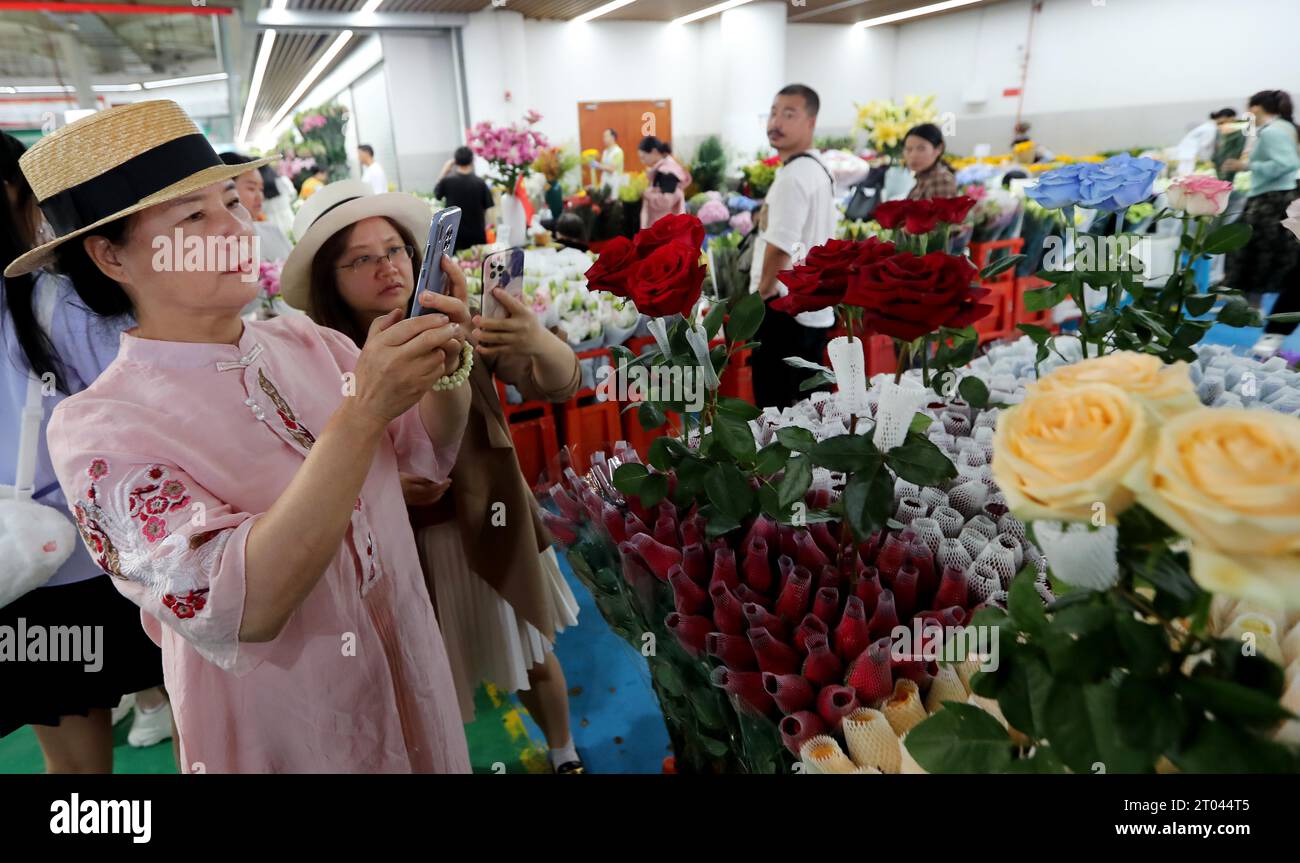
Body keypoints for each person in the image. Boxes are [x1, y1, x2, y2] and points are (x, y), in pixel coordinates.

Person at [6, 100, 474, 773]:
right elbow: (240, 603)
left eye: (231, 200)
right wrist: (362, 414)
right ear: (111, 256)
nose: (236, 227)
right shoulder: (99, 429)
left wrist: (442, 362)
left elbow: (426, 450)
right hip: (287, 725)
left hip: (406, 668)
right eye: (194, 217)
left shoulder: (307, 341)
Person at [282, 180, 587, 773]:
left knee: (531, 653)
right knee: (426, 676)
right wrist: (384, 486)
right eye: (360, 259)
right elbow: (306, 462)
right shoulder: (313, 360)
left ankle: (565, 753)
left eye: (394, 250)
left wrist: (537, 338)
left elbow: (560, 382)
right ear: (330, 278)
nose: (386, 267)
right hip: (399, 547)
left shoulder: (457, 322)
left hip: (489, 520)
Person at [0, 131, 170, 770]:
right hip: (110, 559)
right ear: (16, 195)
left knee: (71, 763)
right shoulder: (58, 303)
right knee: (202, 722)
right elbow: (147, 419)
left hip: (18, 568)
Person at [749, 84, 837, 409]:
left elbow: (780, 246)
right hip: (810, 308)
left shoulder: (794, 176)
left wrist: (760, 296)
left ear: (811, 122)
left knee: (776, 410)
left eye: (789, 114)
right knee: (809, 406)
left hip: (783, 311)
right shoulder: (817, 169)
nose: (777, 122)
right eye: (773, 112)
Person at [1223, 90, 1300, 305]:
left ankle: (1249, 306)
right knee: (1266, 251)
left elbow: (1288, 163)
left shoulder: (1271, 132)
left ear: (1257, 108)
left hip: (1270, 199)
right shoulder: (1286, 127)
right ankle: (1251, 304)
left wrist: (1246, 165)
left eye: (1249, 108)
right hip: (1282, 196)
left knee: (1251, 250)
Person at [219, 152, 293, 262]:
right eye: (251, 188)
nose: (260, 197)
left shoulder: (273, 232)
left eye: (261, 189)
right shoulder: (212, 246)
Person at [435, 147, 494, 251]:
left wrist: (445, 170)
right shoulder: (480, 182)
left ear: (456, 161)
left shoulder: (447, 181)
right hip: (477, 235)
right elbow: (488, 208)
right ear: (472, 160)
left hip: (454, 235)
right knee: (477, 265)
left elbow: (437, 194)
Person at [638, 136, 691, 228]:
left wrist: (646, 194)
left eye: (643, 157)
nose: (642, 161)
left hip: (665, 228)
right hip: (664, 226)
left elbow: (666, 201)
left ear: (654, 152)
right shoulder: (664, 168)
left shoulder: (667, 171)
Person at [1176, 108, 1239, 174]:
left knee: (1185, 171)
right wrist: (1208, 160)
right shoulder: (1211, 128)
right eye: (1232, 119)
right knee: (1186, 172)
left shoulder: (1210, 126)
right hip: (1190, 151)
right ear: (1225, 117)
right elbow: (1205, 145)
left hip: (1188, 151)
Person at [903, 124, 958, 200]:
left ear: (939, 149)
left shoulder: (940, 179)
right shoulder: (923, 178)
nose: (913, 155)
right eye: (909, 149)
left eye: (921, 148)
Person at [591, 128, 625, 193]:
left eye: (605, 136)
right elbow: (602, 166)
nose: (603, 139)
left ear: (612, 137)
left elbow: (611, 169)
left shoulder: (618, 152)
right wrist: (597, 165)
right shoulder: (605, 152)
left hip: (614, 184)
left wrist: (597, 165)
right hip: (604, 183)